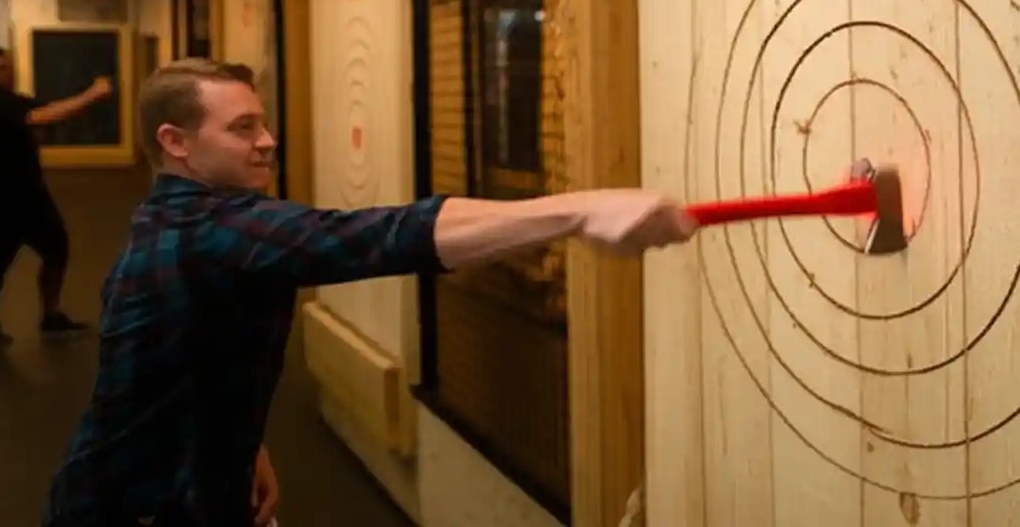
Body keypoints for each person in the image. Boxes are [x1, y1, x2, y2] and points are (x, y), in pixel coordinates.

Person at [42, 58, 697, 526]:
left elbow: (176, 356)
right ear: (175, 143)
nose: (267, 140)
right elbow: (386, 234)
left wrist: (241, 444)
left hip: (184, 484)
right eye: (242, 128)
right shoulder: (213, 229)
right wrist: (582, 211)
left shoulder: (168, 218)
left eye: (262, 122)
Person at [0, 45, 114, 344]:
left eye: (7, 66)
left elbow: (40, 114)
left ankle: (50, 314)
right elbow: (41, 116)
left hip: (28, 190)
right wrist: (93, 94)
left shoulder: (10, 100)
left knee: (56, 247)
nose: (6, 72)